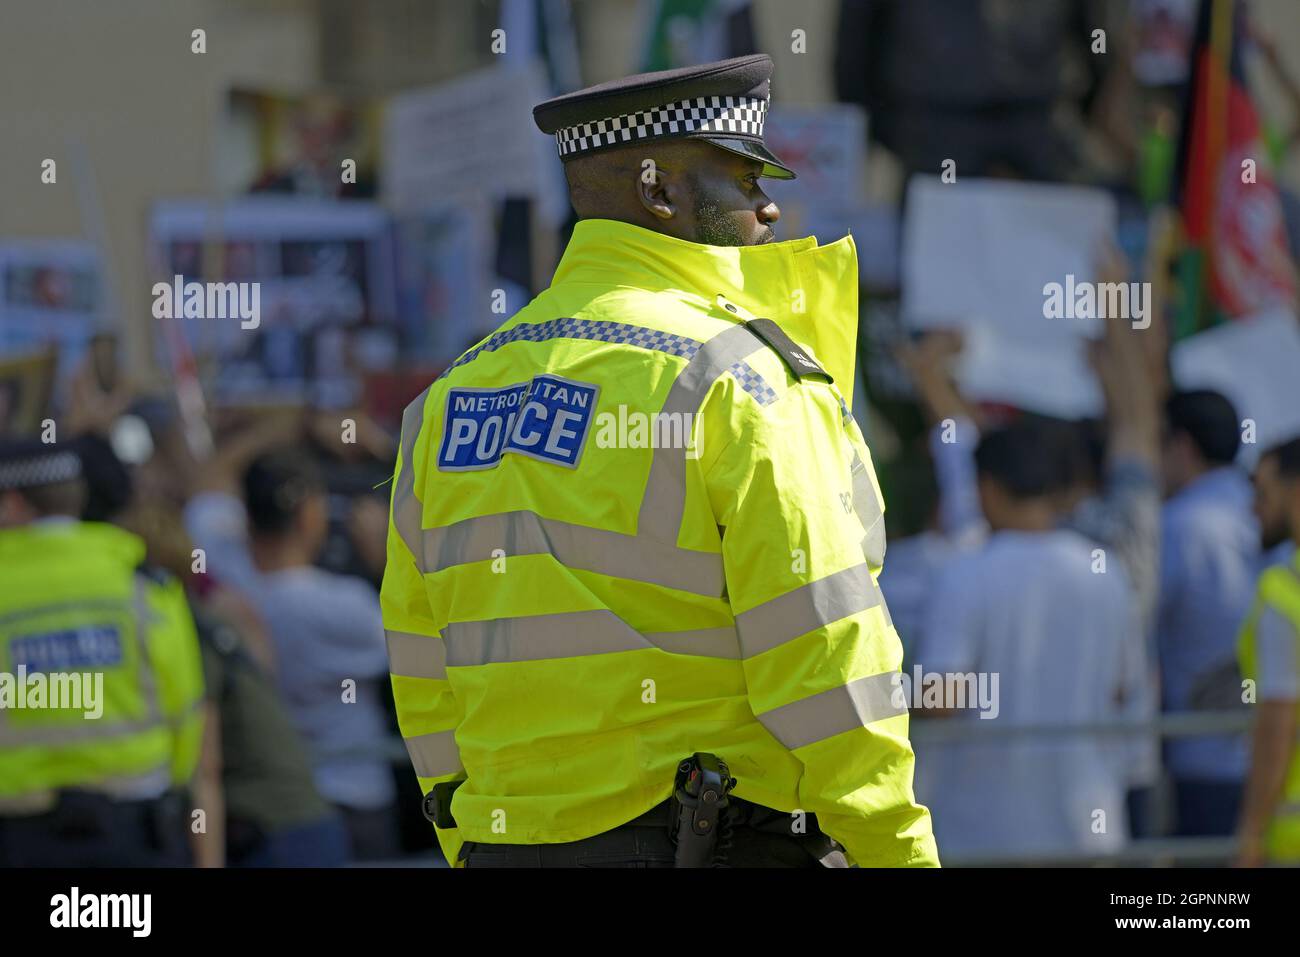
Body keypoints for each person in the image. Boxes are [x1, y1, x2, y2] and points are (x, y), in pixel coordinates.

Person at [381, 54, 937, 868]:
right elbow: (825, 651)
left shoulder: (448, 400)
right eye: (743, 181)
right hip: (717, 843)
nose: (770, 207)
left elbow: (422, 665)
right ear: (657, 190)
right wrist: (898, 851)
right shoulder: (739, 378)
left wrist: (470, 838)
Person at [913, 419, 1144, 860]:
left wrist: (884, 691)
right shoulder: (1105, 571)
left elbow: (943, 697)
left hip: (983, 830)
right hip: (1087, 826)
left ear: (988, 488)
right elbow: (1122, 687)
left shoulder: (966, 573)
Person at [184, 414, 400, 861]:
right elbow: (427, 641)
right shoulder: (350, 606)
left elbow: (209, 479)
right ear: (310, 515)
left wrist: (291, 425)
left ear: (245, 514)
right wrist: (387, 560)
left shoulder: (225, 572)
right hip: (356, 801)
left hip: (269, 808)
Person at [0, 438, 207, 866]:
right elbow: (188, 711)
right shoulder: (146, 585)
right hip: (136, 831)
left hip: (20, 837)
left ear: (12, 505)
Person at [1157, 390, 1258, 836]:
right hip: (1276, 752)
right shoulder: (1262, 507)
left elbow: (1143, 621)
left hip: (1204, 758)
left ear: (1181, 446)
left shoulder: (1179, 524)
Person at [1236, 437, 1300, 866]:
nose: (1253, 508)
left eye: (1263, 493)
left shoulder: (1283, 592)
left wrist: (1250, 837)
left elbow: (1278, 724)